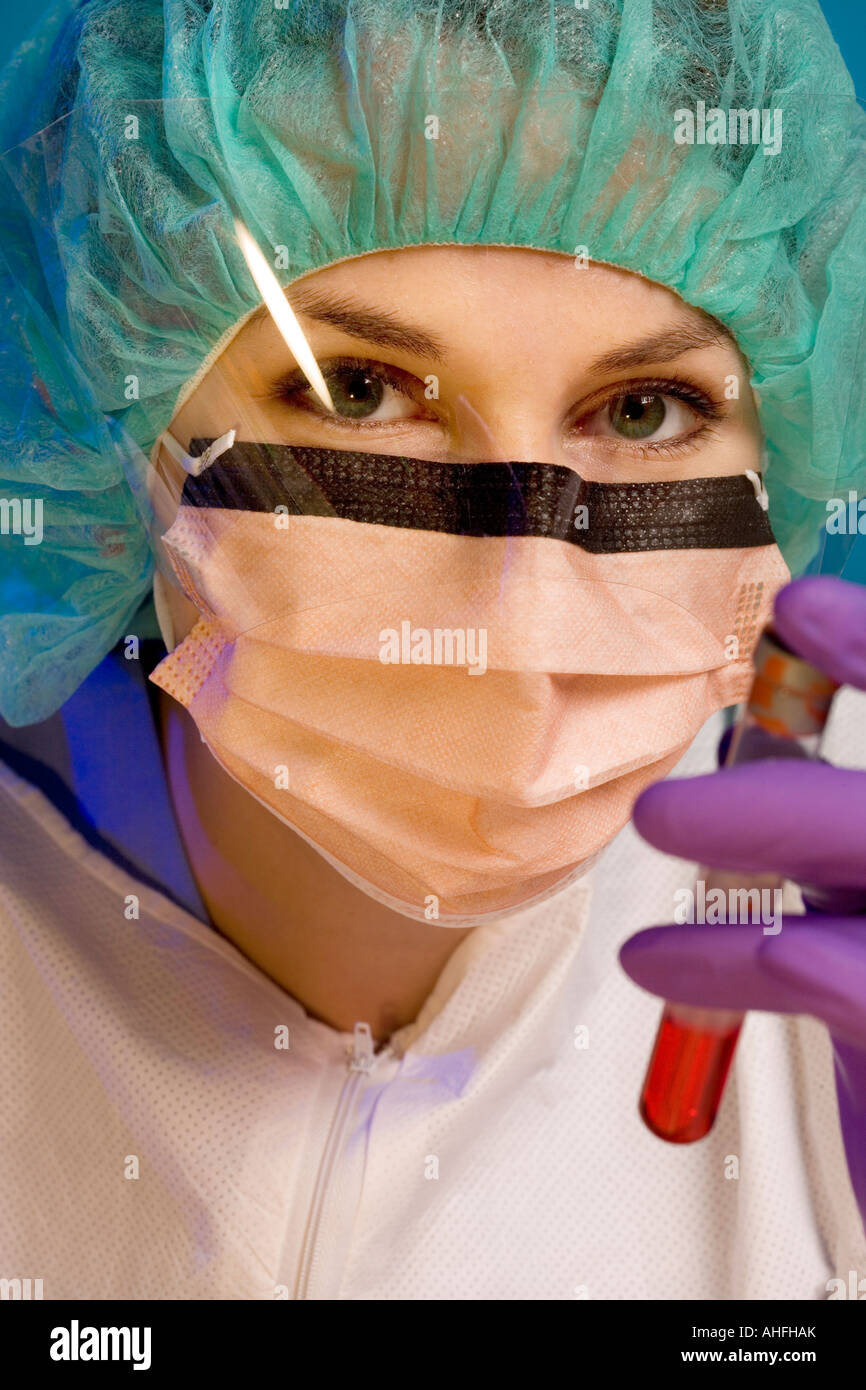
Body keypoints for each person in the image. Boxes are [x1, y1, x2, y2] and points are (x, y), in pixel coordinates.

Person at [0, 0, 864, 1301]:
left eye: (645, 408)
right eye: (359, 392)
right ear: (120, 429)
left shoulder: (828, 912)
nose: (518, 606)